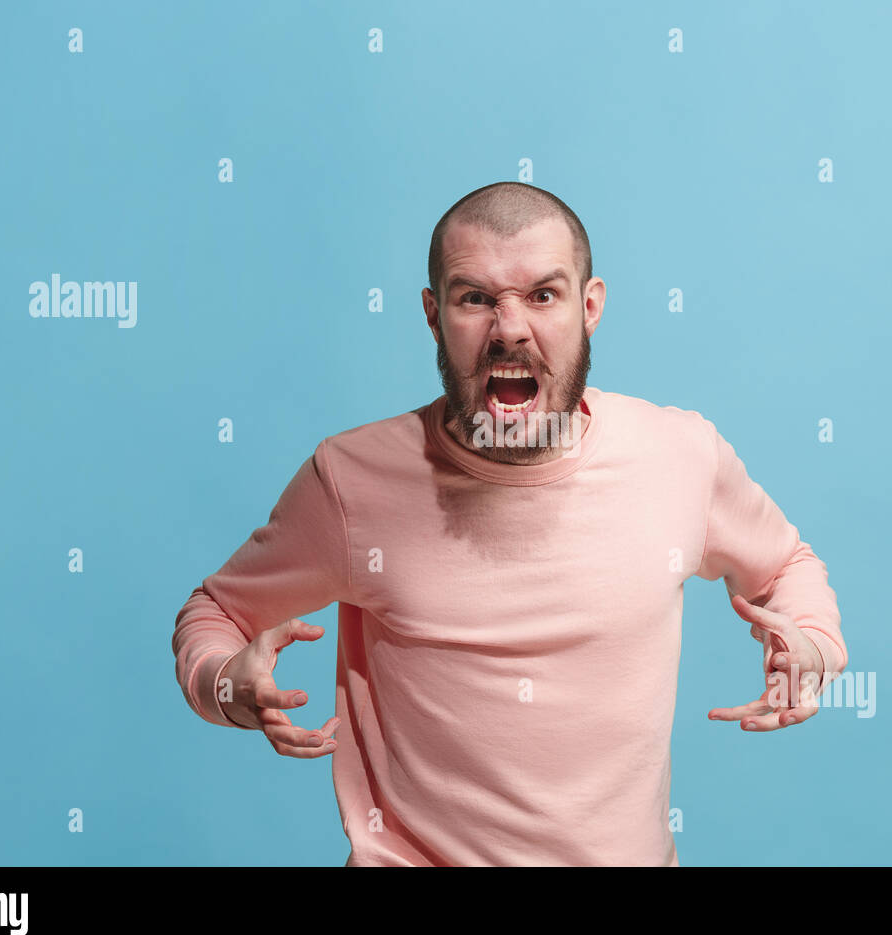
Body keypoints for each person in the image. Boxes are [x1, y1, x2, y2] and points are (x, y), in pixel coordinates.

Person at [170, 181, 846, 866]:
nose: (510, 329)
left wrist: (813, 649)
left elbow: (788, 567)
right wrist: (225, 685)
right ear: (434, 316)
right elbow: (215, 611)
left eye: (543, 296)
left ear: (590, 308)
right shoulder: (351, 479)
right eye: (475, 298)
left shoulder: (681, 457)